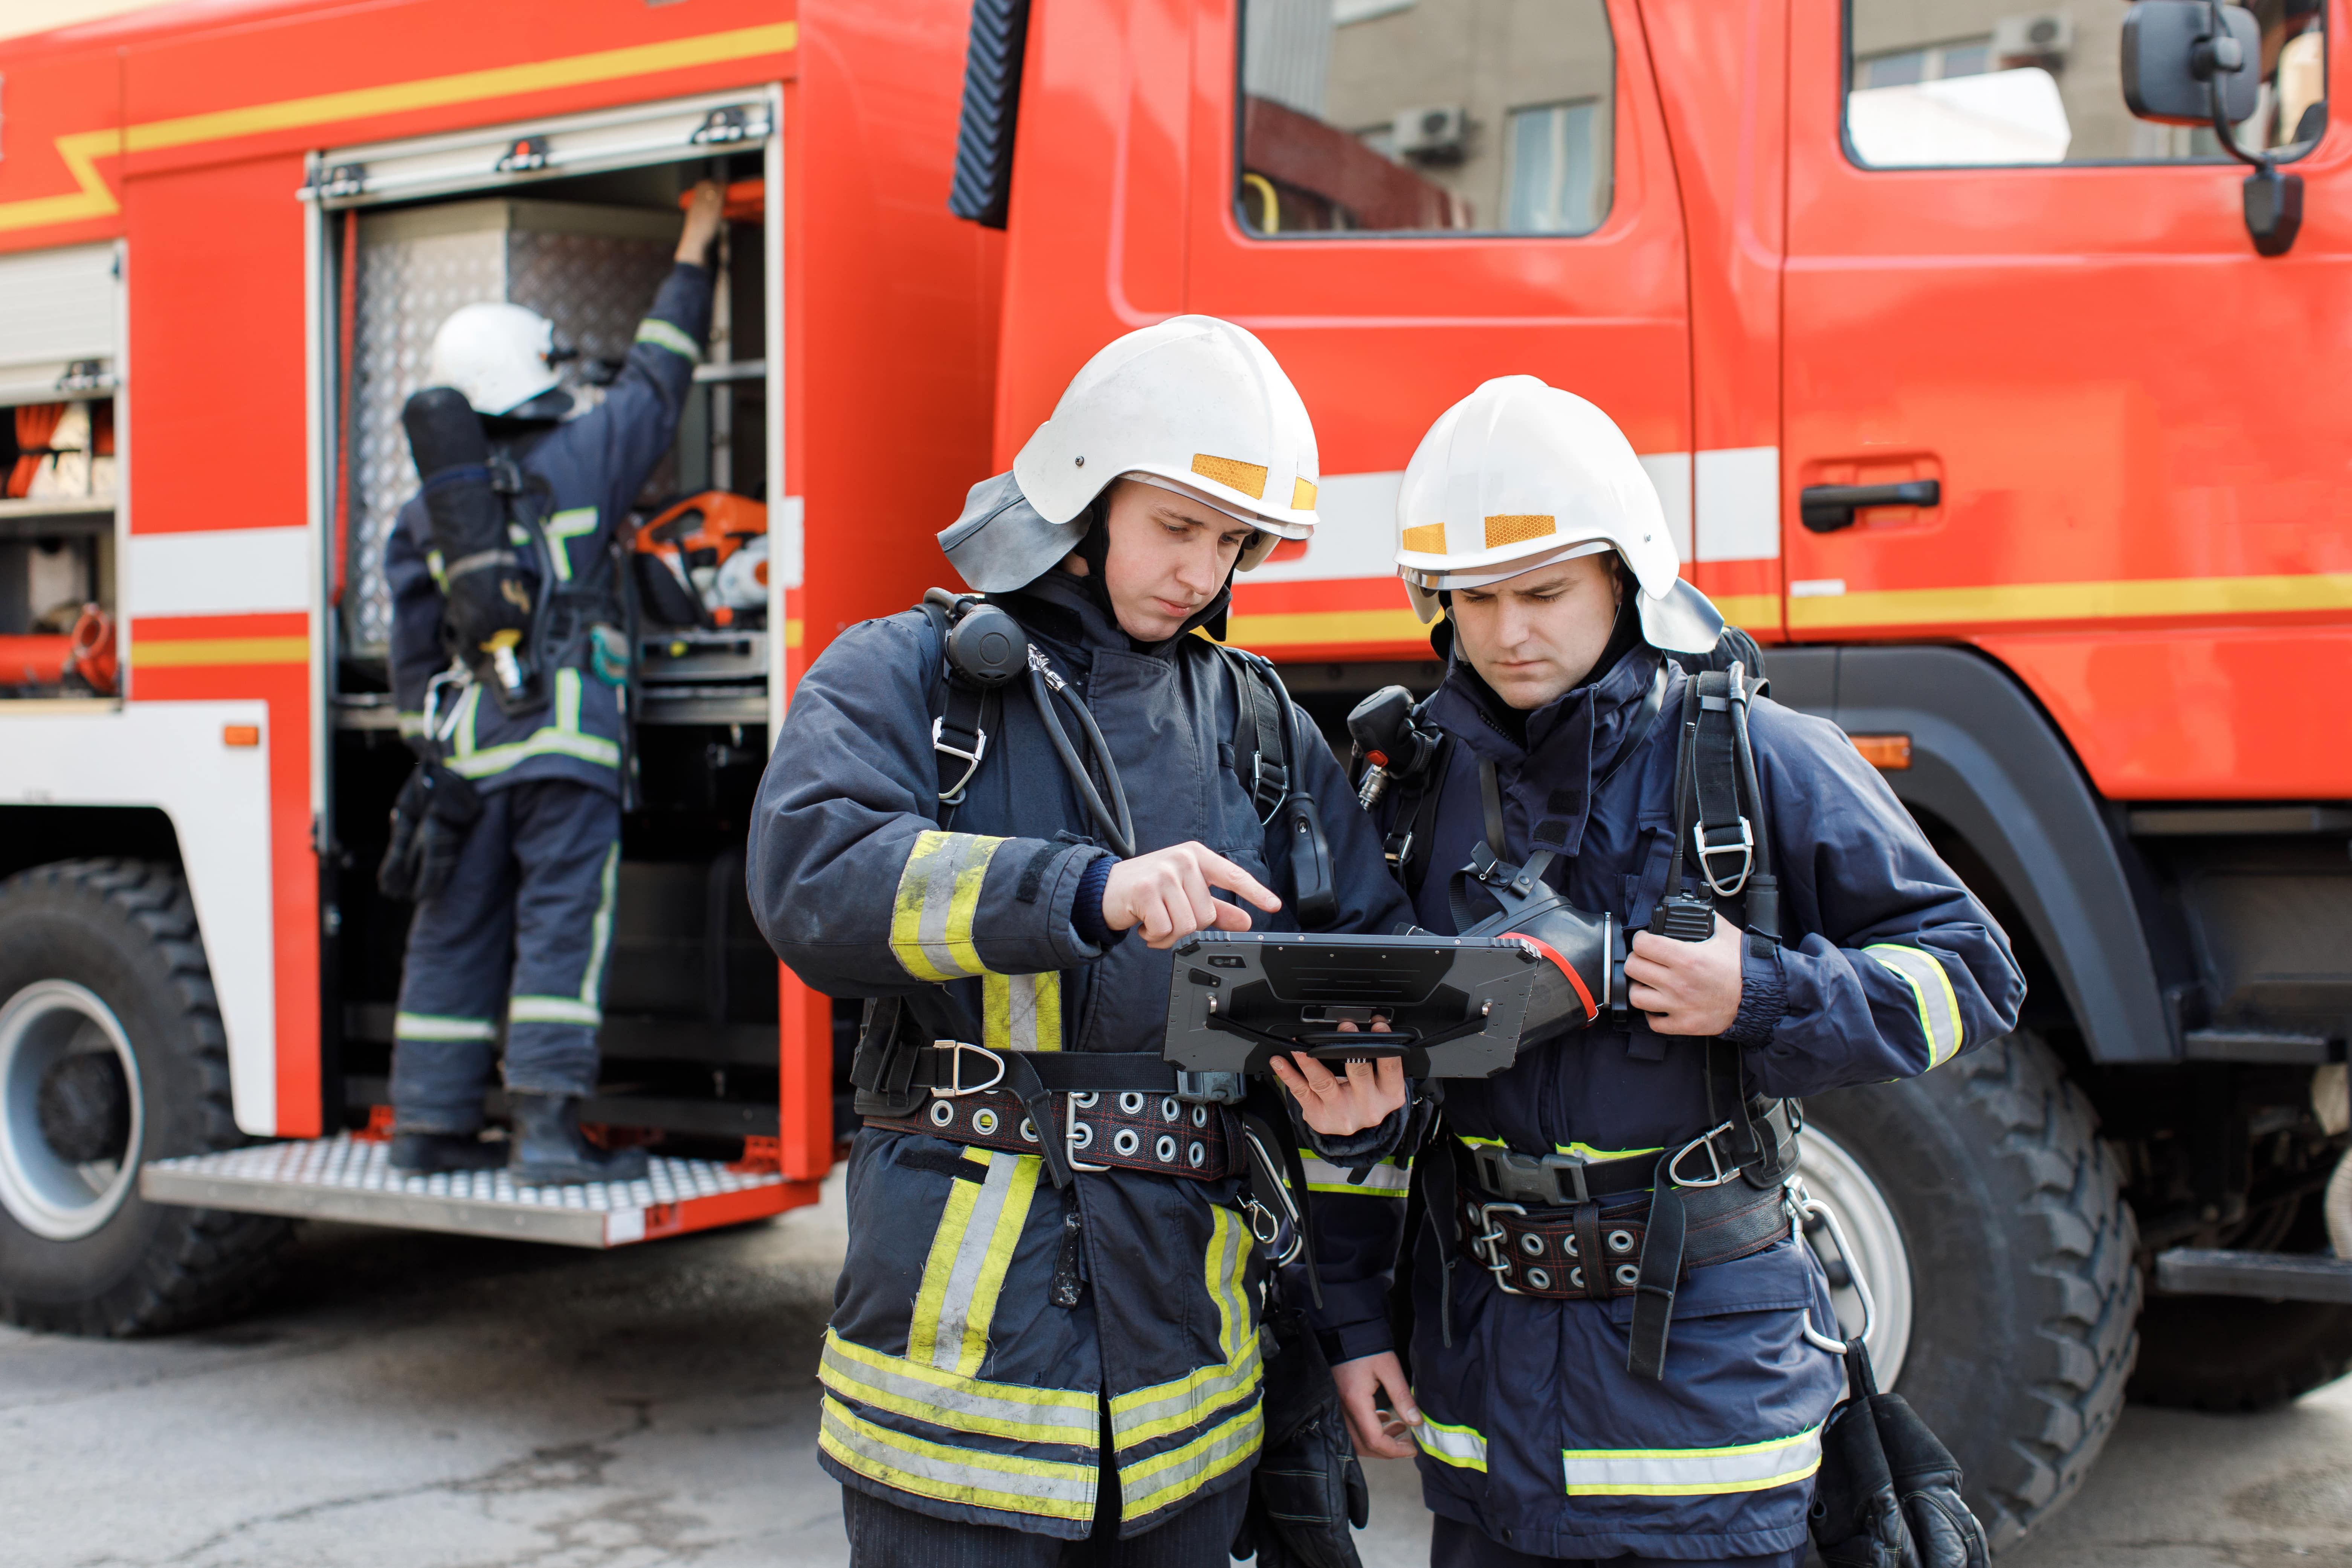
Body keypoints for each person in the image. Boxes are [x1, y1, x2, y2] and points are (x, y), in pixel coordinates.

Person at [1313, 376, 2026, 1567]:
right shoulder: (1409, 794)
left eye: (1544, 591)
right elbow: (1361, 1088)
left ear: (1624, 577)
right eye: (1474, 598)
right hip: (1484, 1416)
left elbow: (1972, 973)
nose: (1507, 631)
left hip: (1708, 1421)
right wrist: (1349, 1316)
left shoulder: (1763, 758)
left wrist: (1760, 993)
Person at [745, 315, 1413, 1564]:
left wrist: (1362, 1094)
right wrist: (1084, 888)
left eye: (1231, 542)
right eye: (1176, 525)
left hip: (1189, 1399)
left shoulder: (1263, 727)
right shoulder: (907, 679)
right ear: (1081, 498)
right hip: (957, 1400)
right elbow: (811, 881)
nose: (1202, 573)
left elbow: (1362, 961)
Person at [381, 180, 728, 1183]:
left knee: (453, 929)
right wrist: (698, 243)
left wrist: (426, 737)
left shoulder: (425, 515)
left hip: (466, 757)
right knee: (559, 931)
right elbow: (662, 374)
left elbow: (413, 645)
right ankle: (544, 1133)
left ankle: (428, 1128)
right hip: (569, 747)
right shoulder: (586, 455)